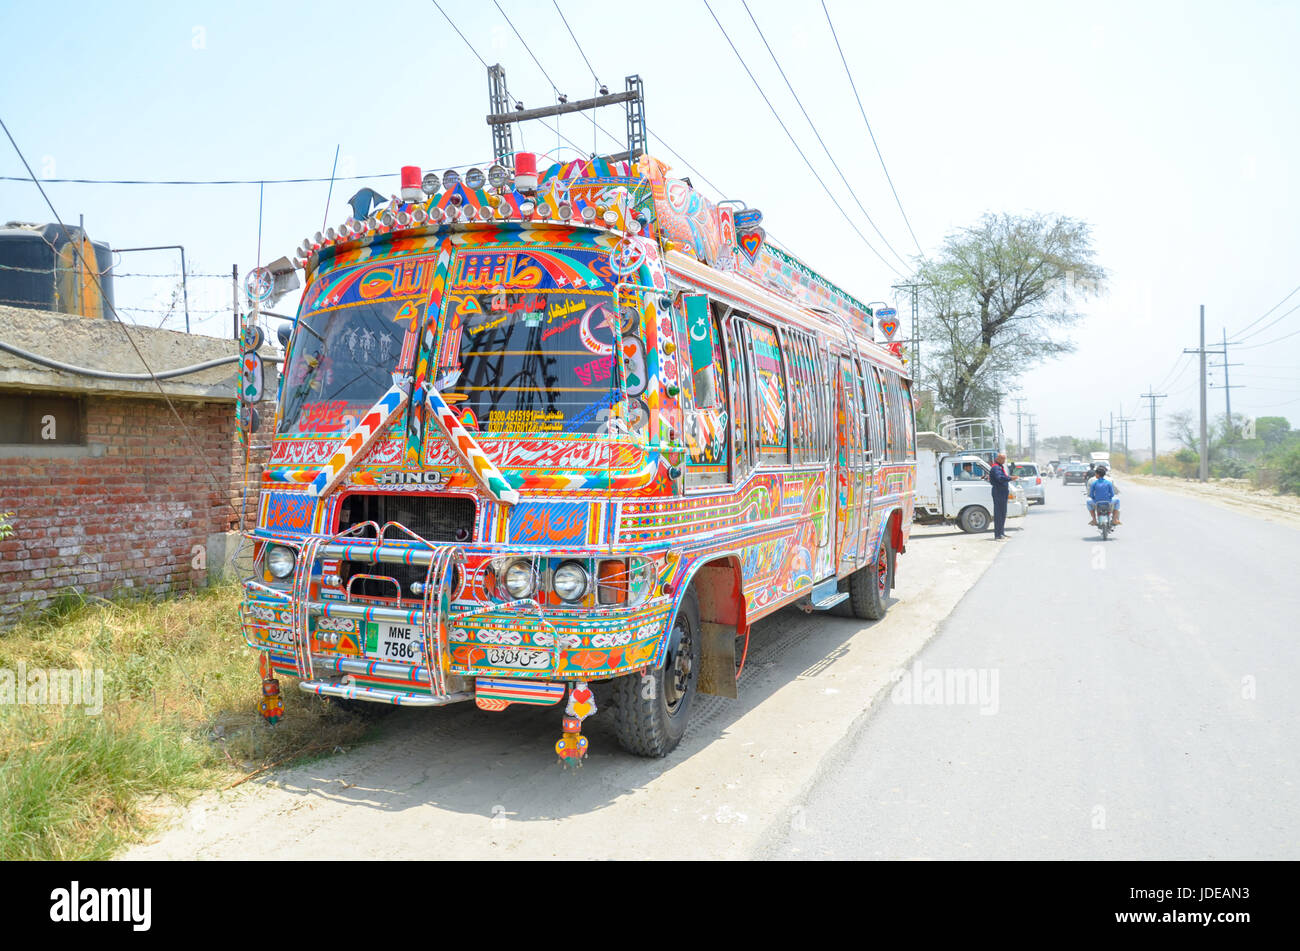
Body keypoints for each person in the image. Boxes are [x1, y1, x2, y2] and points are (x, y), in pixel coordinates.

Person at [988, 452, 1013, 539]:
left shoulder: (999, 467)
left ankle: (1001, 532)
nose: (1004, 460)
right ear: (998, 459)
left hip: (1002, 492)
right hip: (999, 492)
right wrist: (1010, 478)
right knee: (999, 514)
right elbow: (1000, 478)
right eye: (1003, 459)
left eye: (1004, 459)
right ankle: (998, 534)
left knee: (1003, 513)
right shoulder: (995, 468)